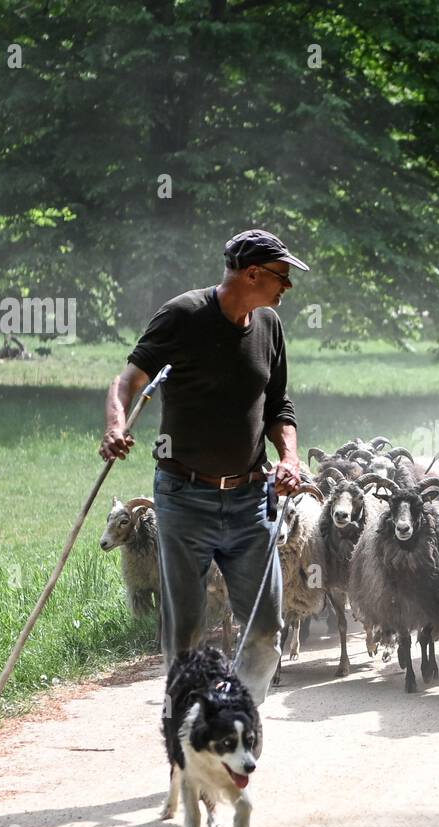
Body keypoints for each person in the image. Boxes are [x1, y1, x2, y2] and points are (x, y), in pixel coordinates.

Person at [100, 229, 307, 707]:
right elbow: (128, 380)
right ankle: (188, 732)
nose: (287, 287)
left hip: (251, 500)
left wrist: (290, 458)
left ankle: (233, 726)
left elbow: (280, 406)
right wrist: (115, 427)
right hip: (183, 496)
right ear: (252, 273)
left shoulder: (270, 326)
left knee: (264, 631)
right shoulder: (183, 315)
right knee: (187, 633)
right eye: (282, 276)